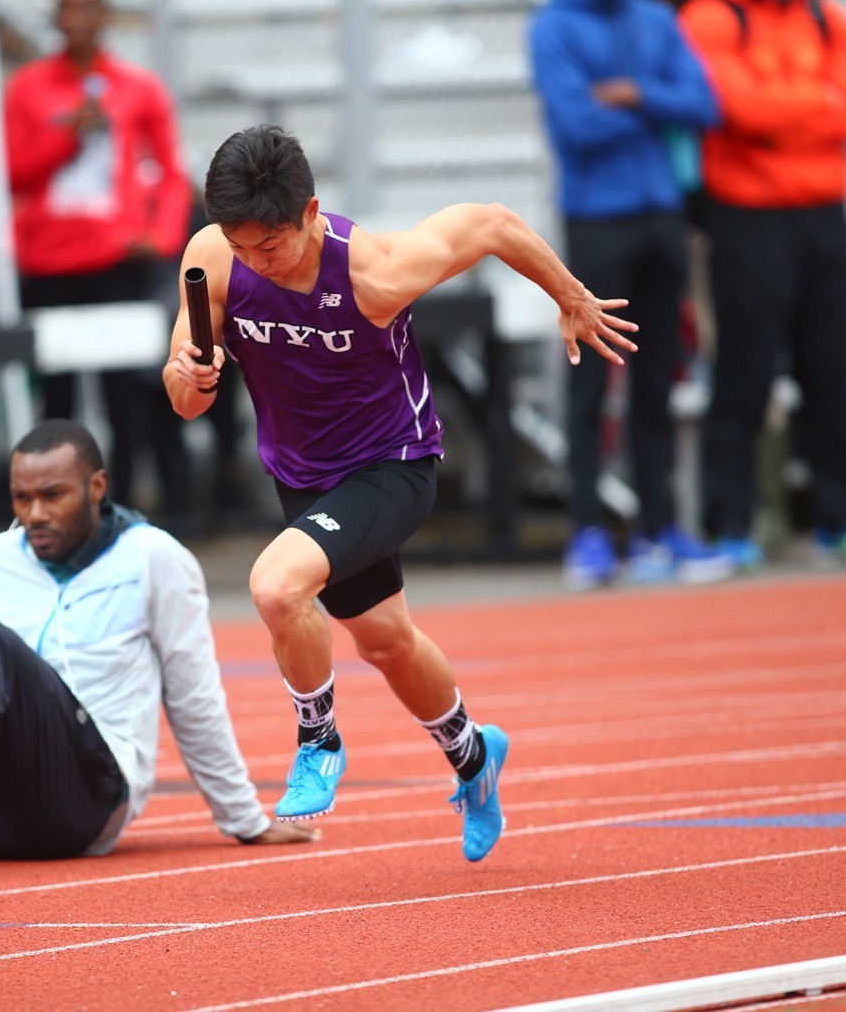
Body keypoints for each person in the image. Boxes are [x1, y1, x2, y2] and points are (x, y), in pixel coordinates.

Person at [162, 125, 636, 862]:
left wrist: (570, 297)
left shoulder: (375, 272)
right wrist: (187, 376)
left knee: (277, 587)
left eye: (271, 246)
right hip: (303, 477)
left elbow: (491, 223)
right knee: (386, 640)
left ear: (310, 213)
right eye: (240, 245)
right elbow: (186, 401)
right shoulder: (211, 259)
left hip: (392, 465)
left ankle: (318, 739)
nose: (254, 261)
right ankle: (474, 755)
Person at [0, 419, 316, 876]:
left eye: (52, 496)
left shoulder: (153, 558)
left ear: (97, 487)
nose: (34, 515)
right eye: (21, 498)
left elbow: (194, 696)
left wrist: (243, 818)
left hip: (83, 802)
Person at [679, 0, 846, 571]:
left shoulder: (824, 14)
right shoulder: (709, 16)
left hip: (824, 217)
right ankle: (729, 527)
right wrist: (818, 104)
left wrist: (781, 119)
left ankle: (843, 522)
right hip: (746, 217)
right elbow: (739, 108)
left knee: (831, 373)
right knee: (743, 377)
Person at [530, 0, 732, 590]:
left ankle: (658, 530)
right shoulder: (552, 26)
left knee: (656, 382)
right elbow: (575, 126)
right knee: (590, 383)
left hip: (661, 220)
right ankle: (588, 533)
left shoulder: (656, 19)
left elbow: (706, 104)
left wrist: (632, 94)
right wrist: (656, 106)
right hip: (596, 223)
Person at [2, 0, 193, 529]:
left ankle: (119, 513)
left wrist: (161, 238)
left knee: (124, 398)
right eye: (66, 7)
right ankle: (55, 514)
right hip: (50, 265)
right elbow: (10, 172)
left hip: (115, 261)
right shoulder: (29, 88)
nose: (75, 18)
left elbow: (173, 173)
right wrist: (66, 138)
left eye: (86, 6)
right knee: (57, 398)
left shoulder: (138, 88)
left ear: (104, 12)